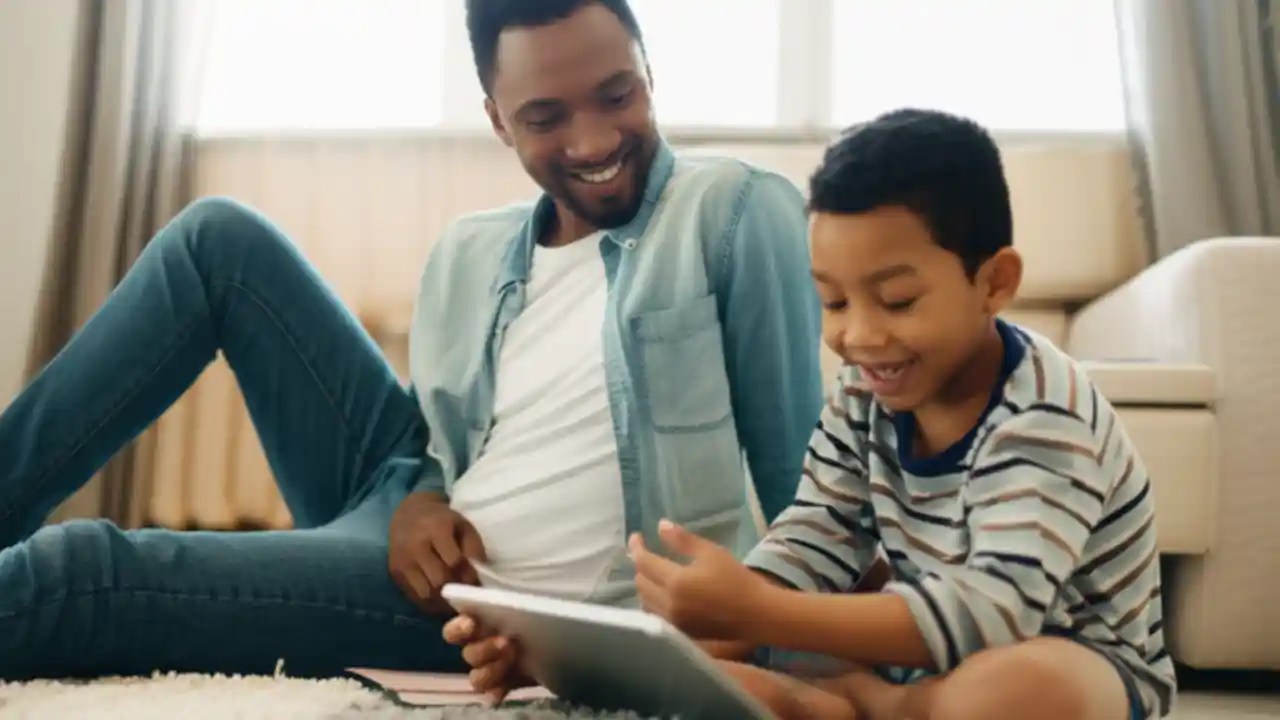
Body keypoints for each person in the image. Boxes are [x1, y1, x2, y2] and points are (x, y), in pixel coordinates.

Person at [0, 0, 822, 680]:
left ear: (649, 75)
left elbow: (804, 482)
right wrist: (422, 497)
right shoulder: (471, 251)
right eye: (546, 116)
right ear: (499, 121)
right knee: (219, 240)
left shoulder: (736, 213)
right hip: (413, 509)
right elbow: (443, 442)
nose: (595, 140)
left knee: (78, 575)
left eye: (618, 96)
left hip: (469, 598)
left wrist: (831, 655)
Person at [463, 108, 1178, 717]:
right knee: (704, 657)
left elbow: (995, 612)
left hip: (1076, 660)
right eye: (833, 302)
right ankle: (830, 698)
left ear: (994, 283)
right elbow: (818, 535)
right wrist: (593, 656)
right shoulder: (867, 395)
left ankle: (863, 706)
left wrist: (760, 612)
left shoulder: (1045, 416)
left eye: (896, 300)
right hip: (921, 653)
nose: (858, 336)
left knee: (1013, 689)